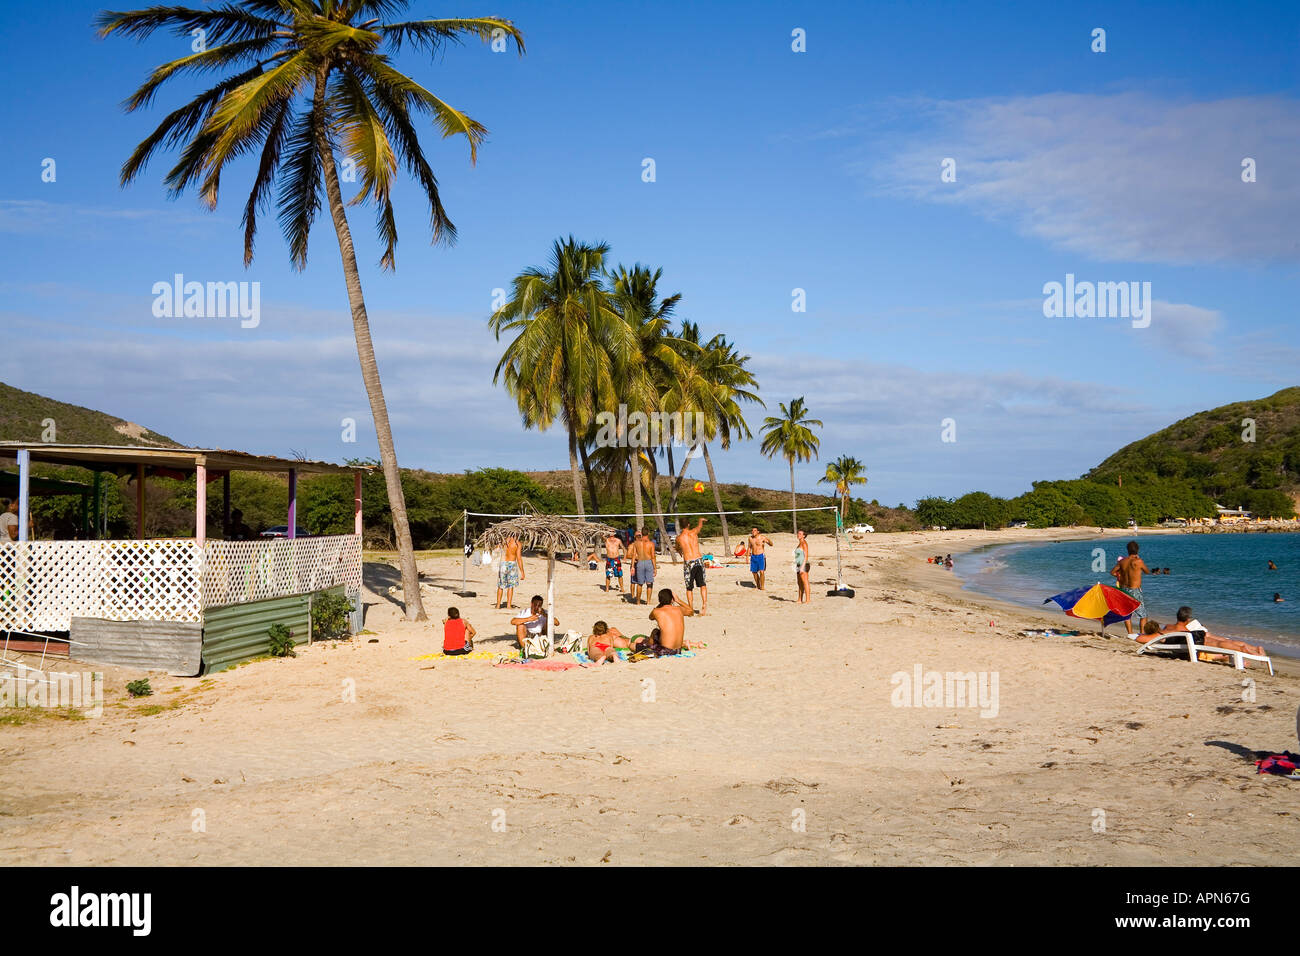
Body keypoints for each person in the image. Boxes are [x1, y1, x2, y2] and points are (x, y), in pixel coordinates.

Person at [1142, 605, 1267, 665]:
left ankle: (1242, 649)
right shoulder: (1180, 627)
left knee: (1219, 643)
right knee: (1222, 641)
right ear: (1187, 619)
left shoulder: (1166, 629)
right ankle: (1251, 648)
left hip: (1194, 639)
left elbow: (1142, 638)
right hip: (1197, 637)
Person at [1110, 540, 1151, 636]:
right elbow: (1147, 571)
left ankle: (1130, 633)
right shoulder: (1138, 561)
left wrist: (1119, 577)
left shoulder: (1122, 561)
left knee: (1127, 612)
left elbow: (1112, 572)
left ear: (1128, 550)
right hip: (1135, 590)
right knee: (1143, 615)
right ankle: (1142, 634)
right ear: (1137, 550)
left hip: (1124, 590)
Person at [675, 516, 708, 614]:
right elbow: (700, 526)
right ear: (688, 524)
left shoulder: (679, 538)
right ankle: (704, 605)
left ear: (681, 526)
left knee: (689, 587)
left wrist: (680, 552)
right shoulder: (694, 532)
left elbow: (676, 547)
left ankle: (690, 607)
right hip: (698, 560)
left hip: (689, 562)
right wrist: (700, 520)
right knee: (702, 584)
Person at [648, 588, 694, 655]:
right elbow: (691, 611)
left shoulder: (656, 611)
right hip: (678, 650)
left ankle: (650, 647)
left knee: (655, 631)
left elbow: (650, 617)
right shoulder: (679, 609)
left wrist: (660, 604)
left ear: (659, 600)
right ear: (672, 599)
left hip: (665, 650)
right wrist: (678, 600)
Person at [495, 534, 524, 610]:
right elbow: (519, 558)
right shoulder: (517, 543)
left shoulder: (503, 542)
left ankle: (498, 605)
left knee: (501, 586)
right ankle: (508, 605)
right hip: (512, 564)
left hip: (503, 564)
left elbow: (497, 551)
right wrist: (522, 572)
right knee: (510, 586)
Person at [629, 529, 657, 605]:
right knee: (649, 583)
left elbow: (634, 555)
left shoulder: (636, 543)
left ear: (641, 533)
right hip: (648, 562)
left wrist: (632, 567)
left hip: (640, 562)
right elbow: (653, 556)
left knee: (639, 583)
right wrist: (655, 568)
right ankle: (648, 601)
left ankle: (638, 602)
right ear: (648, 533)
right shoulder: (651, 544)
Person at [794, 529, 811, 604]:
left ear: (804, 535)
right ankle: (800, 599)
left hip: (803, 565)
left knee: (805, 582)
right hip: (798, 564)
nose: (798, 535)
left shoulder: (804, 543)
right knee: (799, 583)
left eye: (800, 534)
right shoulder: (799, 543)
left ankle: (808, 599)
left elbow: (806, 556)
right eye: (798, 533)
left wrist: (802, 567)